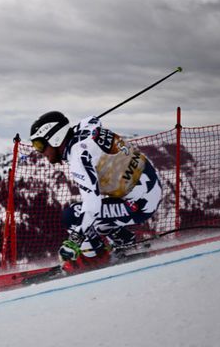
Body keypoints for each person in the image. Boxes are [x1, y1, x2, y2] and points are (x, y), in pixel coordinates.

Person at [29, 111, 162, 271]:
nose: (39, 151)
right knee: (91, 220)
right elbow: (92, 119)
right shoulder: (87, 128)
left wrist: (74, 242)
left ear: (55, 138)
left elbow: (93, 204)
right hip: (150, 186)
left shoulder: (78, 156)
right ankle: (124, 240)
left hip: (140, 203)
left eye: (39, 145)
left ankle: (94, 260)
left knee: (73, 216)